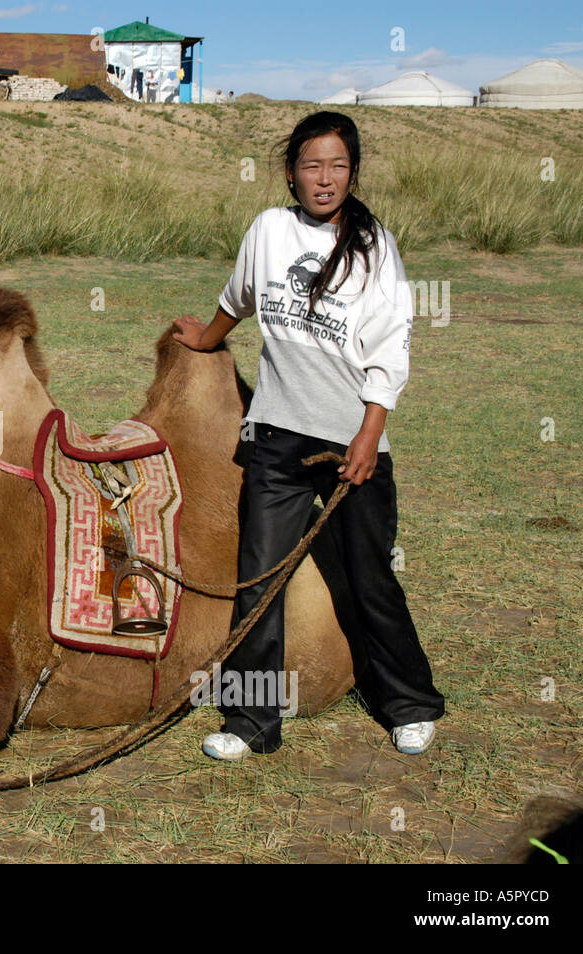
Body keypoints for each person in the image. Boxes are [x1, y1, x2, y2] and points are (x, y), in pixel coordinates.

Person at [171, 111, 445, 761]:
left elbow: (391, 346)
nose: (325, 178)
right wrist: (204, 340)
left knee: (370, 575)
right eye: (312, 166)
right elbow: (237, 299)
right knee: (260, 581)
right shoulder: (269, 229)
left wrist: (369, 431)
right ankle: (250, 723)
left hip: (350, 440)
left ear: (353, 172)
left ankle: (410, 703)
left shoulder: (375, 246)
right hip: (276, 440)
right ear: (291, 174)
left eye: (338, 165)